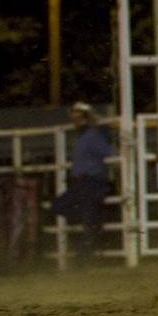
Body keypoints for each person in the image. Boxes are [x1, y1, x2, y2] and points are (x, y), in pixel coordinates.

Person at [51, 102, 113, 260]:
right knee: (82, 215)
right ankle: (86, 251)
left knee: (73, 211)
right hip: (85, 181)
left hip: (91, 181)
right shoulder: (86, 136)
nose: (75, 120)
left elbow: (108, 151)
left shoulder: (91, 136)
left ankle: (84, 255)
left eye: (79, 117)